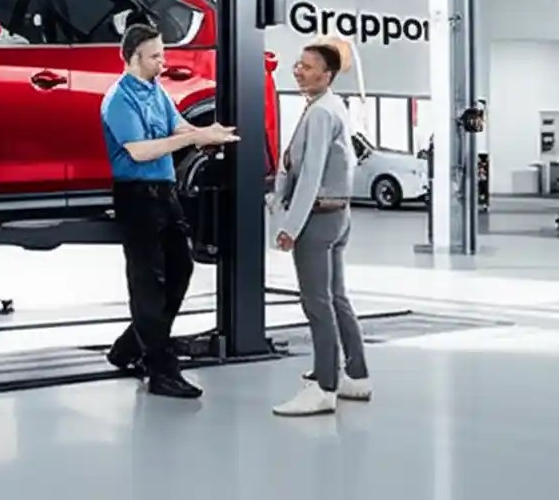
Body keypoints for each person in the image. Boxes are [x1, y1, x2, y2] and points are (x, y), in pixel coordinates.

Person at [100, 23, 240, 398]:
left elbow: (178, 126)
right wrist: (194, 138)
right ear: (133, 58)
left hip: (164, 191)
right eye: (156, 55)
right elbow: (139, 150)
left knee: (182, 267)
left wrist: (206, 132)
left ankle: (130, 346)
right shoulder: (118, 99)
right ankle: (161, 370)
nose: (163, 61)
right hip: (135, 195)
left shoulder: (156, 90)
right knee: (149, 281)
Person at [270, 39, 373, 417]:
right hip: (337, 215)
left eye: (308, 67)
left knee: (317, 303)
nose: (299, 70)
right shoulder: (332, 106)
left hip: (317, 217)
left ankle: (324, 386)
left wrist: (290, 226)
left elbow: (310, 173)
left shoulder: (320, 113)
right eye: (298, 64)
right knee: (336, 297)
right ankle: (356, 376)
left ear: (327, 75)